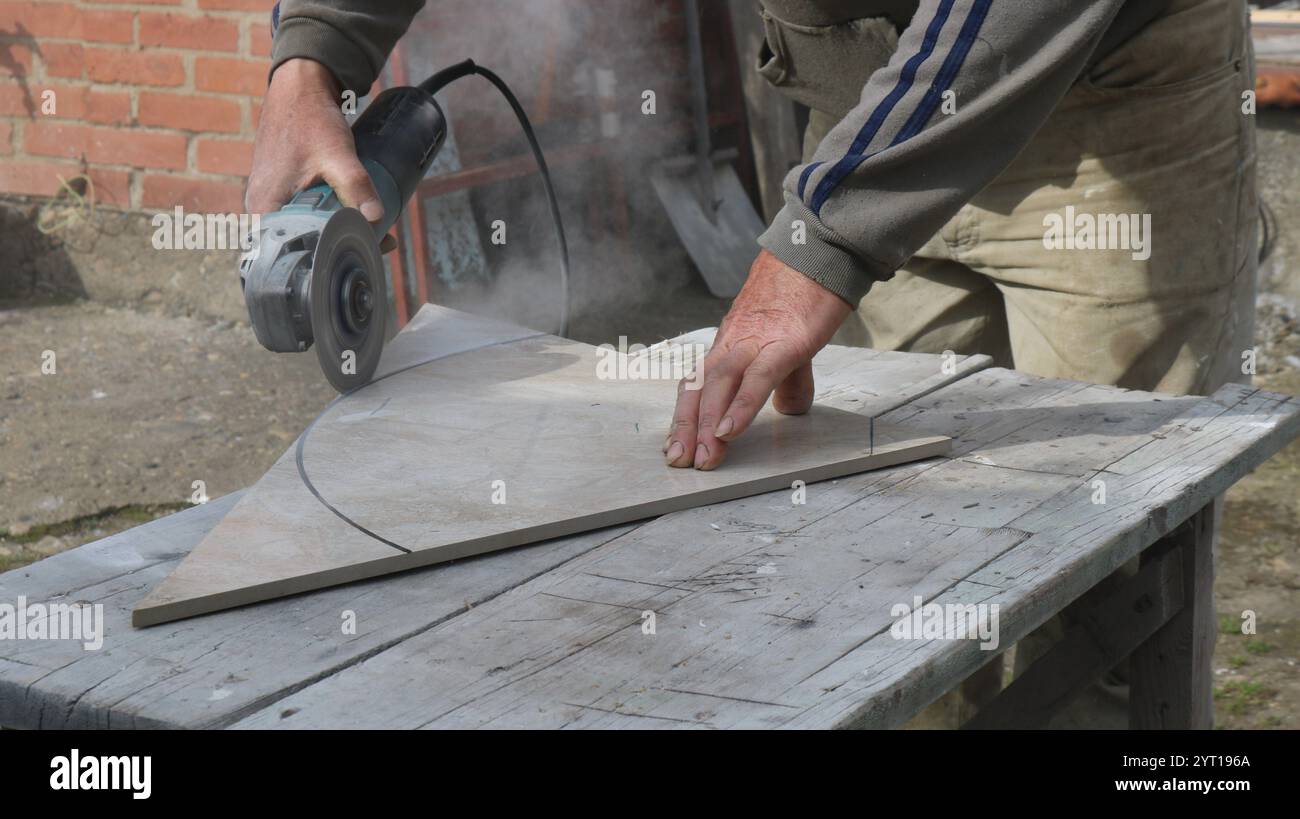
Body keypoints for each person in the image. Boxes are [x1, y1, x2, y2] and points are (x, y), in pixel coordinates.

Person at [248, 0, 1258, 727]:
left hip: (1102, 109)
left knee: (1109, 592)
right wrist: (314, 57)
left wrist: (826, 241)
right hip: (869, 108)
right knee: (932, 573)